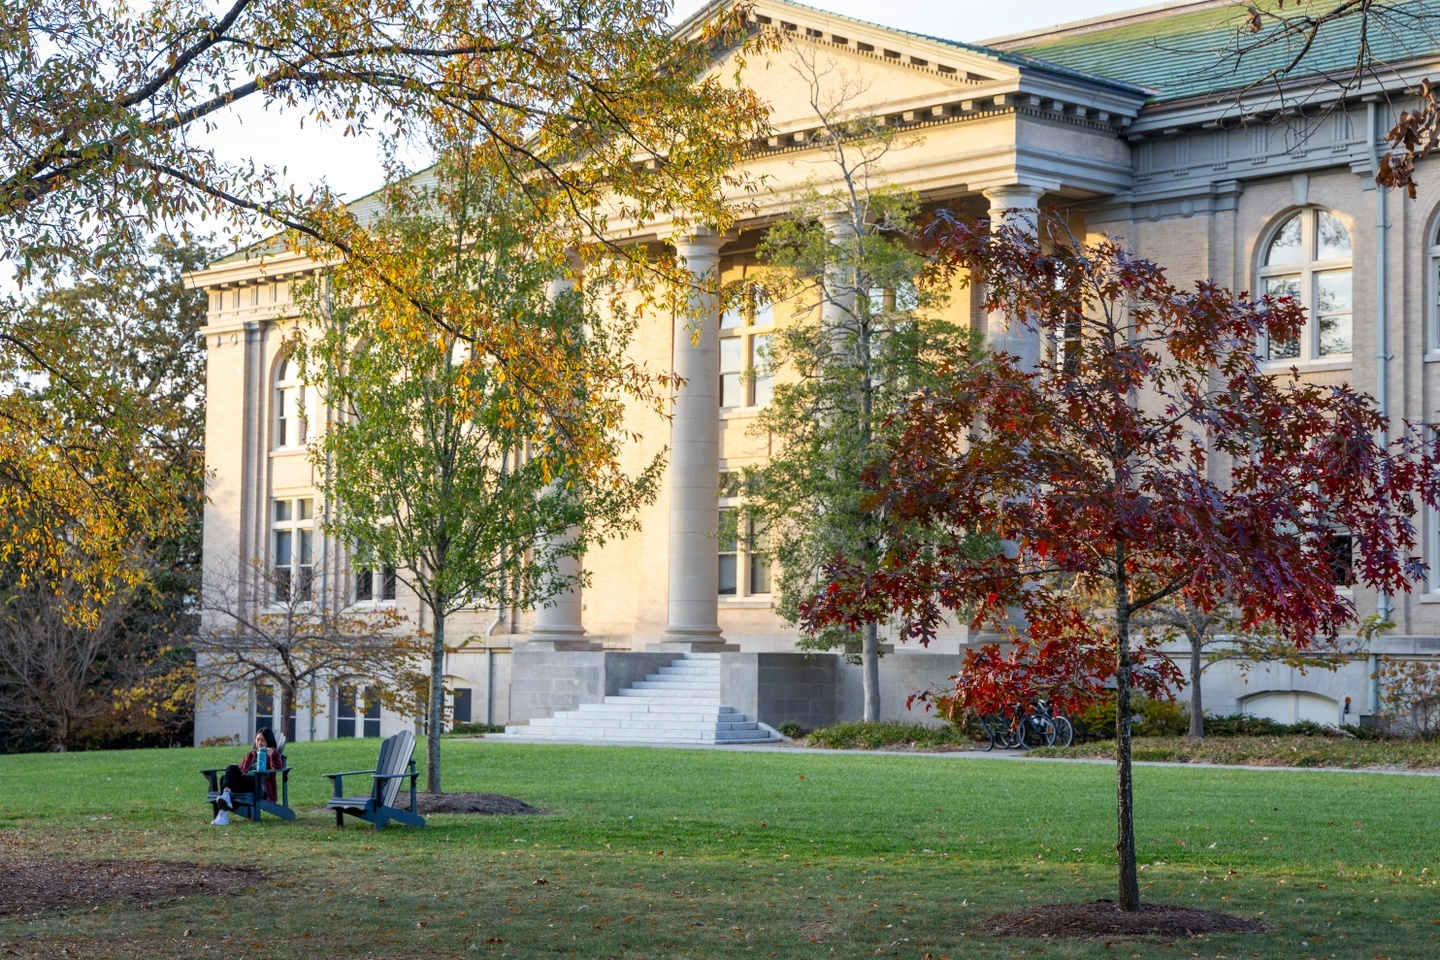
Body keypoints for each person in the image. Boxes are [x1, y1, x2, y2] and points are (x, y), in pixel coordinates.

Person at [211, 728, 284, 826]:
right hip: (246, 782)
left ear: (269, 741)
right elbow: (241, 769)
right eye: (257, 739)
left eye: (263, 740)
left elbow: (278, 767)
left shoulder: (272, 753)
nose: (259, 743)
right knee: (229, 771)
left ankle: (223, 811)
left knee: (235, 779)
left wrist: (273, 754)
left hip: (259, 785)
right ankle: (225, 802)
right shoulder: (251, 754)